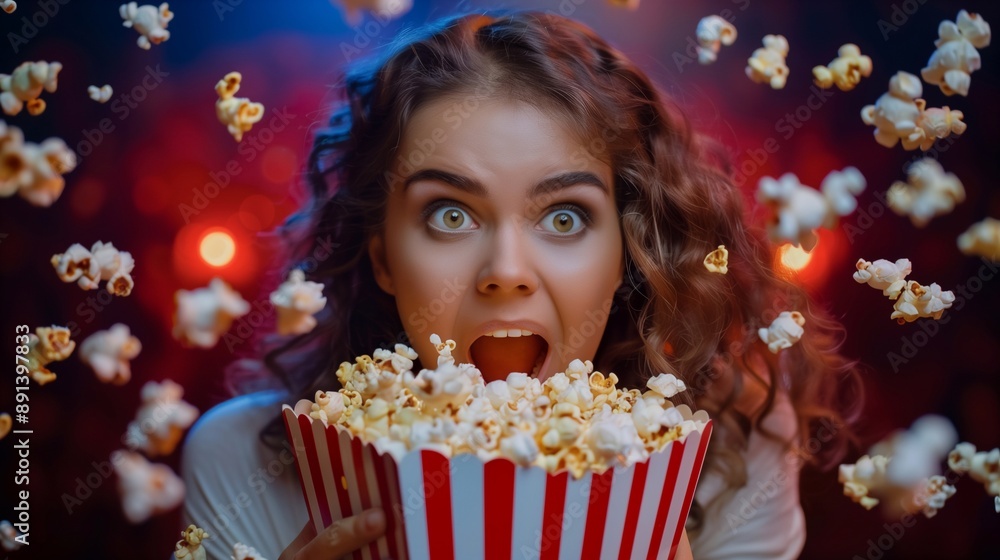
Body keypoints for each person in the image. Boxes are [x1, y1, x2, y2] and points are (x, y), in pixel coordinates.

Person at [180, 9, 863, 560]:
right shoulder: (246, 465)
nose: (506, 272)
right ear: (384, 257)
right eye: (450, 215)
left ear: (627, 251)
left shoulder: (730, 448)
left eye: (564, 217)